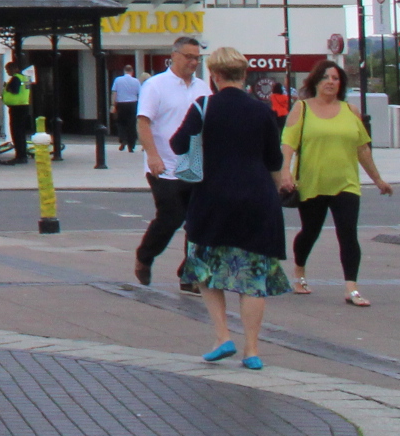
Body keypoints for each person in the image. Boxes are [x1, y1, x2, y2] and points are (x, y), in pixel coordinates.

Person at [174, 46, 292, 368]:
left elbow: (178, 144)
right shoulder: (262, 111)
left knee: (204, 266)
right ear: (243, 75)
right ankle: (251, 350)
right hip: (257, 198)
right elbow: (274, 159)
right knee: (253, 276)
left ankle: (222, 336)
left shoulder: (204, 106)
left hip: (213, 196)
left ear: (214, 75)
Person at [282, 61, 394, 305]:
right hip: (313, 182)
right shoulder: (302, 108)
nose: (330, 82)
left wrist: (378, 180)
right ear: (316, 82)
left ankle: (351, 288)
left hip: (346, 183)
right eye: (325, 77)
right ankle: (299, 271)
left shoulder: (350, 111)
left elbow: (362, 149)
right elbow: (288, 143)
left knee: (348, 233)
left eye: (335, 78)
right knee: (310, 231)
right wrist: (285, 171)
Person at [134, 36, 209, 288]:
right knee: (171, 217)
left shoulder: (202, 88)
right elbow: (143, 122)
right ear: (174, 56)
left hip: (194, 165)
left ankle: (189, 274)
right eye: (189, 57)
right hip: (164, 165)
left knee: (198, 222)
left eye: (197, 58)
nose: (193, 62)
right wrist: (152, 155)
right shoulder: (155, 85)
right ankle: (145, 256)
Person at [0, 62, 36, 164]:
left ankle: (20, 156)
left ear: (14, 69)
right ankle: (22, 155)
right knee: (21, 133)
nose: (7, 72)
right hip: (23, 106)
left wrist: (7, 87)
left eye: (8, 70)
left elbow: (14, 90)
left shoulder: (16, 78)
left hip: (17, 108)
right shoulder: (24, 78)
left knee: (17, 132)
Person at [111, 62, 144, 153]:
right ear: (132, 72)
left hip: (121, 104)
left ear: (124, 71)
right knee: (132, 124)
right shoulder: (136, 81)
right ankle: (131, 145)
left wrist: (113, 105)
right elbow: (140, 94)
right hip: (133, 104)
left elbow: (114, 93)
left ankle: (123, 139)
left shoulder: (118, 80)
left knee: (121, 123)